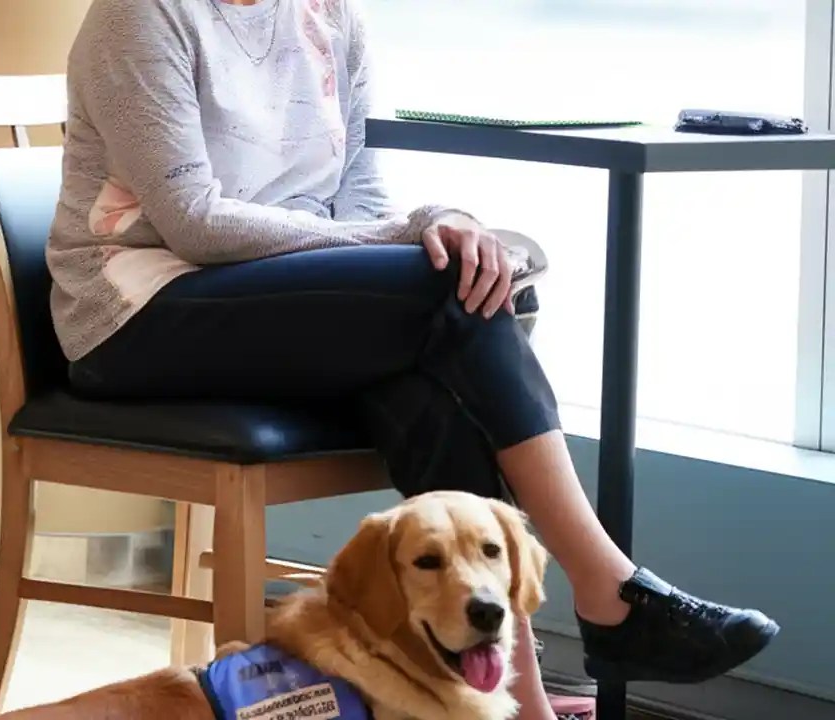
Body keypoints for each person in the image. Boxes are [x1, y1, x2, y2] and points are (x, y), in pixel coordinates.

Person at [47, 0, 780, 718]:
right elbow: (194, 222)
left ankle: (521, 704)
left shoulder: (331, 16)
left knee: (435, 378)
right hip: (137, 311)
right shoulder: (141, 14)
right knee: (445, 283)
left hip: (261, 309)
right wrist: (419, 230)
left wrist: (420, 231)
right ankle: (608, 588)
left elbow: (359, 198)